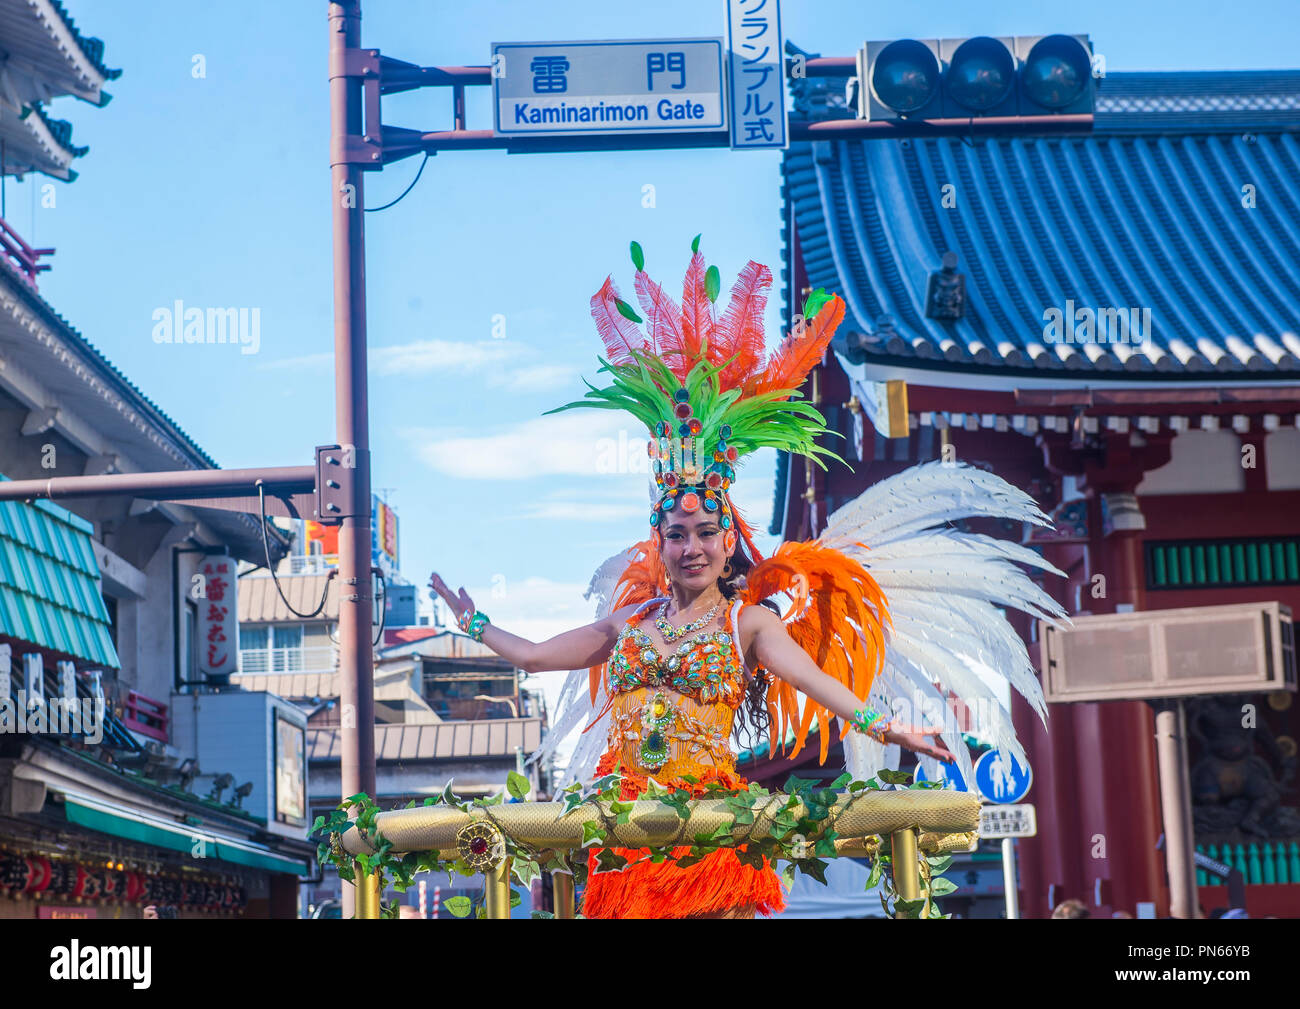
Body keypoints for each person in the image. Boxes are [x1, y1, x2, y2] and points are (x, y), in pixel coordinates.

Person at [430, 240, 1065, 918]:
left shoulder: (748, 623)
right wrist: (473, 622)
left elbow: (825, 687)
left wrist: (894, 730)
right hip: (625, 837)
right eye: (677, 534)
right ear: (660, 541)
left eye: (706, 533)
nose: (691, 547)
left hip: (709, 832)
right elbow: (531, 655)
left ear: (728, 541)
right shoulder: (629, 622)